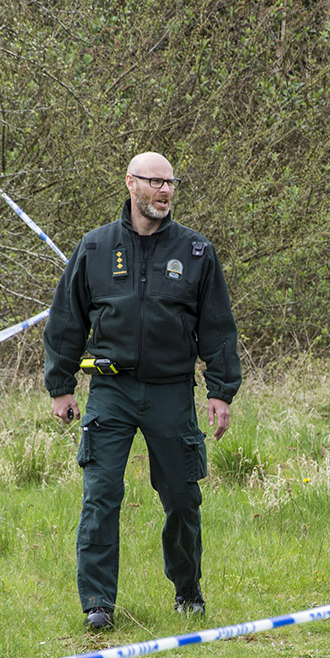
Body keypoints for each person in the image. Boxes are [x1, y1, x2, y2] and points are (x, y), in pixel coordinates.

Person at [43, 152, 241, 632]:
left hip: (172, 391)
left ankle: (187, 590)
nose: (164, 191)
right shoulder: (95, 248)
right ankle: (97, 603)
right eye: (154, 182)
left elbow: (217, 327)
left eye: (170, 183)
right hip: (111, 388)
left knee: (180, 497)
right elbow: (66, 321)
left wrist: (221, 390)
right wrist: (61, 385)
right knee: (101, 493)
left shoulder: (196, 252)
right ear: (131, 183)